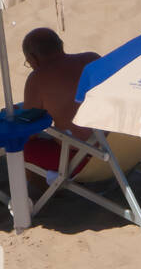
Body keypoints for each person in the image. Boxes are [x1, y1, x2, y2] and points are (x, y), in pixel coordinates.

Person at [21, 28, 100, 182]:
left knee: (21, 148)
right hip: (117, 149)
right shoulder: (92, 59)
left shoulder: (37, 78)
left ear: (32, 58)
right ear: (61, 45)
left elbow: (30, 132)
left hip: (84, 160)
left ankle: (48, 197)